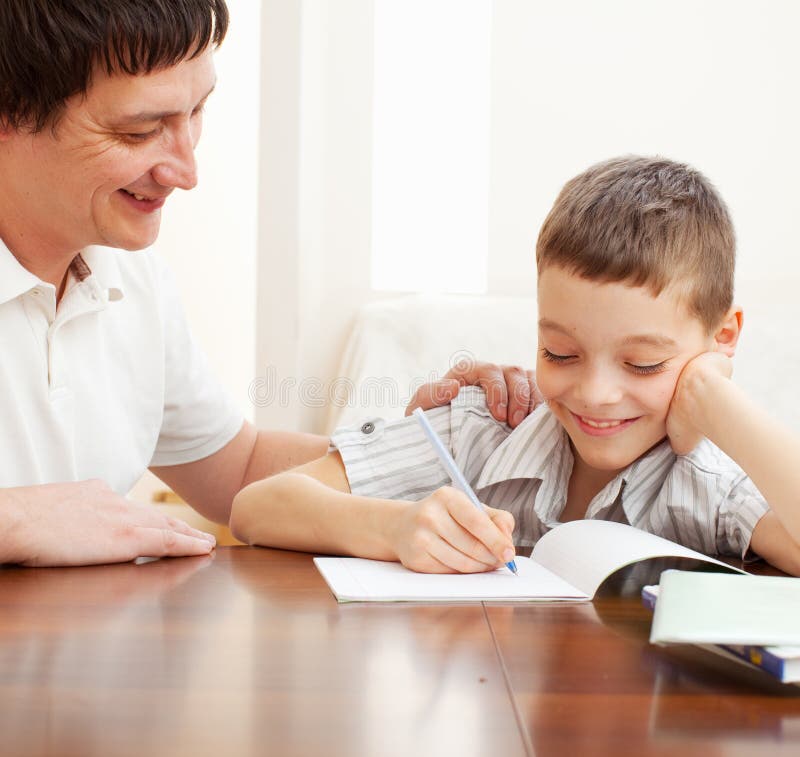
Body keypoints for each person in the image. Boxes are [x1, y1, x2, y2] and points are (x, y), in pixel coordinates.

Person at [0, 0, 536, 567]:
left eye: (196, 112)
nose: (186, 172)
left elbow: (239, 470)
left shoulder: (129, 280)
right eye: (139, 131)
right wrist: (18, 519)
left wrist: (429, 445)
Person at [230, 155, 800, 577]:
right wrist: (394, 527)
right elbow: (255, 508)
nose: (595, 393)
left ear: (722, 338)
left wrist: (714, 398)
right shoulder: (481, 427)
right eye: (560, 354)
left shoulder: (709, 482)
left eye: (643, 364)